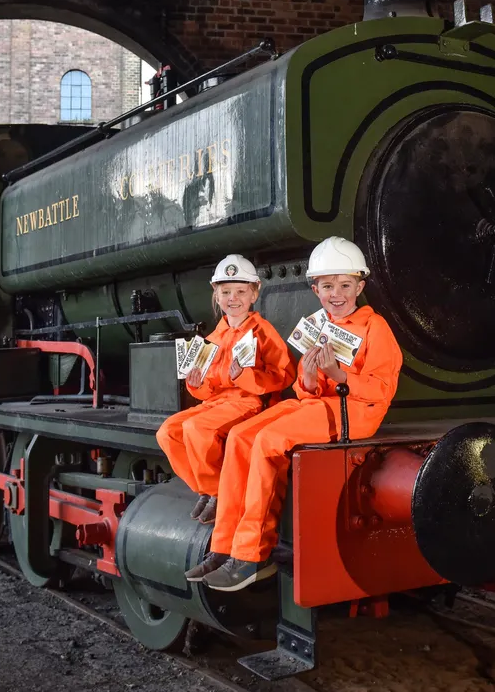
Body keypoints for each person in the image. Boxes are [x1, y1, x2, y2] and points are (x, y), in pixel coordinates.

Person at [186, 236, 403, 590]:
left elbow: (381, 390)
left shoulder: (374, 328)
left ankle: (252, 557)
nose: (336, 294)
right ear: (315, 289)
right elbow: (307, 391)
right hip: (315, 405)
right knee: (242, 437)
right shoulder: (319, 326)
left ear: (360, 286)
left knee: (269, 441)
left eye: (345, 285)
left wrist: (339, 375)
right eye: (327, 285)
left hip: (356, 412)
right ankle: (223, 547)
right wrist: (306, 378)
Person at [155, 254, 295, 527]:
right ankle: (208, 489)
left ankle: (220, 493)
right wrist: (196, 383)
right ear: (216, 295)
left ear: (254, 293)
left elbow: (284, 375)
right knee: (168, 432)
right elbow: (206, 392)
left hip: (249, 402)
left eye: (241, 291)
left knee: (198, 429)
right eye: (226, 292)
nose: (234, 298)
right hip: (216, 404)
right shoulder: (212, 338)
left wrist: (245, 376)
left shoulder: (262, 332)